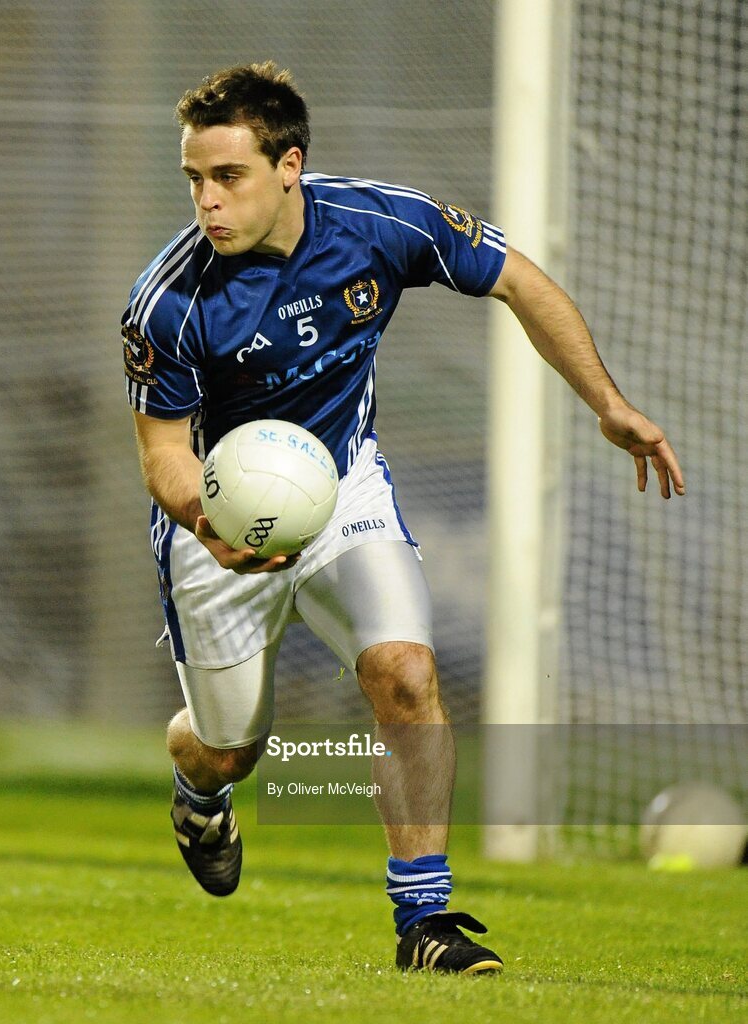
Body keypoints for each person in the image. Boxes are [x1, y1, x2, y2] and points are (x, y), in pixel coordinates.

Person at [120, 61, 685, 975]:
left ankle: (424, 921)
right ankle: (197, 787)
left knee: (407, 676)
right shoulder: (170, 299)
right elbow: (164, 455)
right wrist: (208, 520)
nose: (207, 203)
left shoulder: (381, 225)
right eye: (194, 179)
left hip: (342, 488)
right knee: (230, 746)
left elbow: (519, 281)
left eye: (228, 177)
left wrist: (606, 404)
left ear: (290, 164)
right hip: (218, 532)